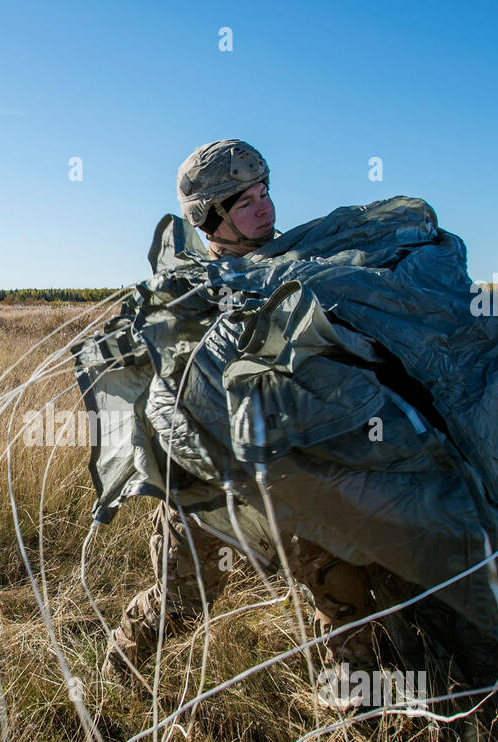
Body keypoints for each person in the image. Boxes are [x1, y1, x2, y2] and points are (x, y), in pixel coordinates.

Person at [103, 139, 379, 682]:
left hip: (299, 476)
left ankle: (368, 732)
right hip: (208, 491)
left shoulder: (304, 269)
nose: (265, 207)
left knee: (347, 601)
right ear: (210, 218)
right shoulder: (186, 298)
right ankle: (121, 670)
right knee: (182, 603)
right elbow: (171, 402)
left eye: (265, 192)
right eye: (245, 201)